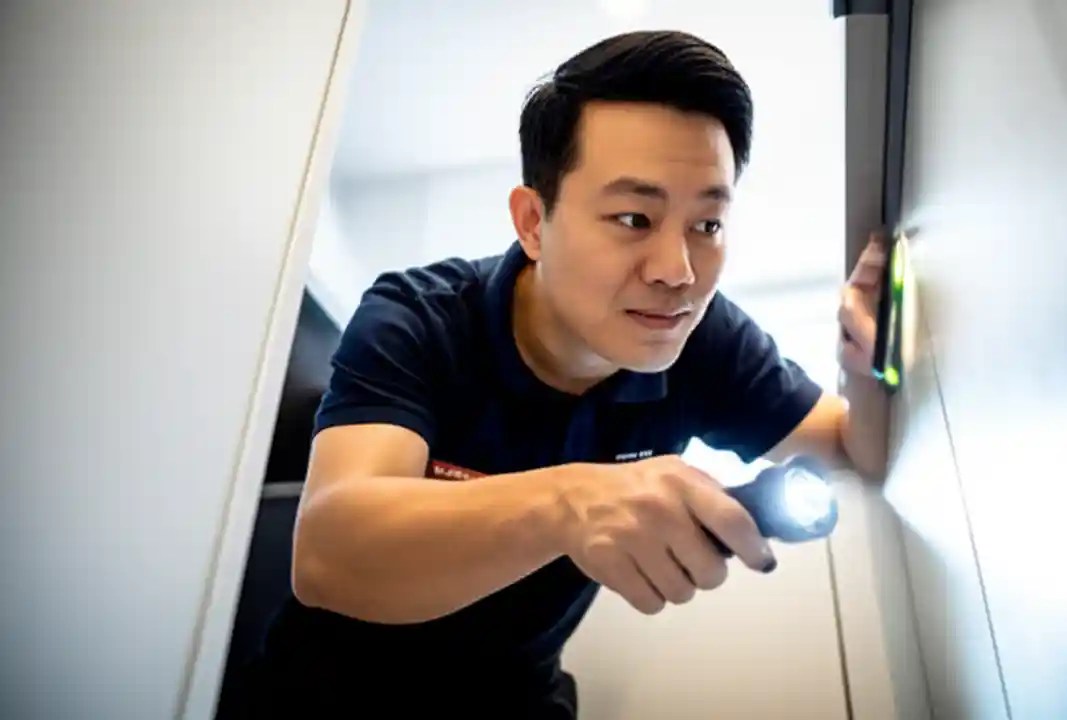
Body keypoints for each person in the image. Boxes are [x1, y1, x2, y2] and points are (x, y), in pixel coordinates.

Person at [239, 29, 888, 719]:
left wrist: (871, 361)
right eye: (634, 218)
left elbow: (857, 448)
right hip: (325, 695)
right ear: (533, 222)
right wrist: (571, 503)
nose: (678, 272)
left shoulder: (706, 340)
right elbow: (329, 555)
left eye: (708, 224)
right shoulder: (420, 318)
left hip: (518, 695)